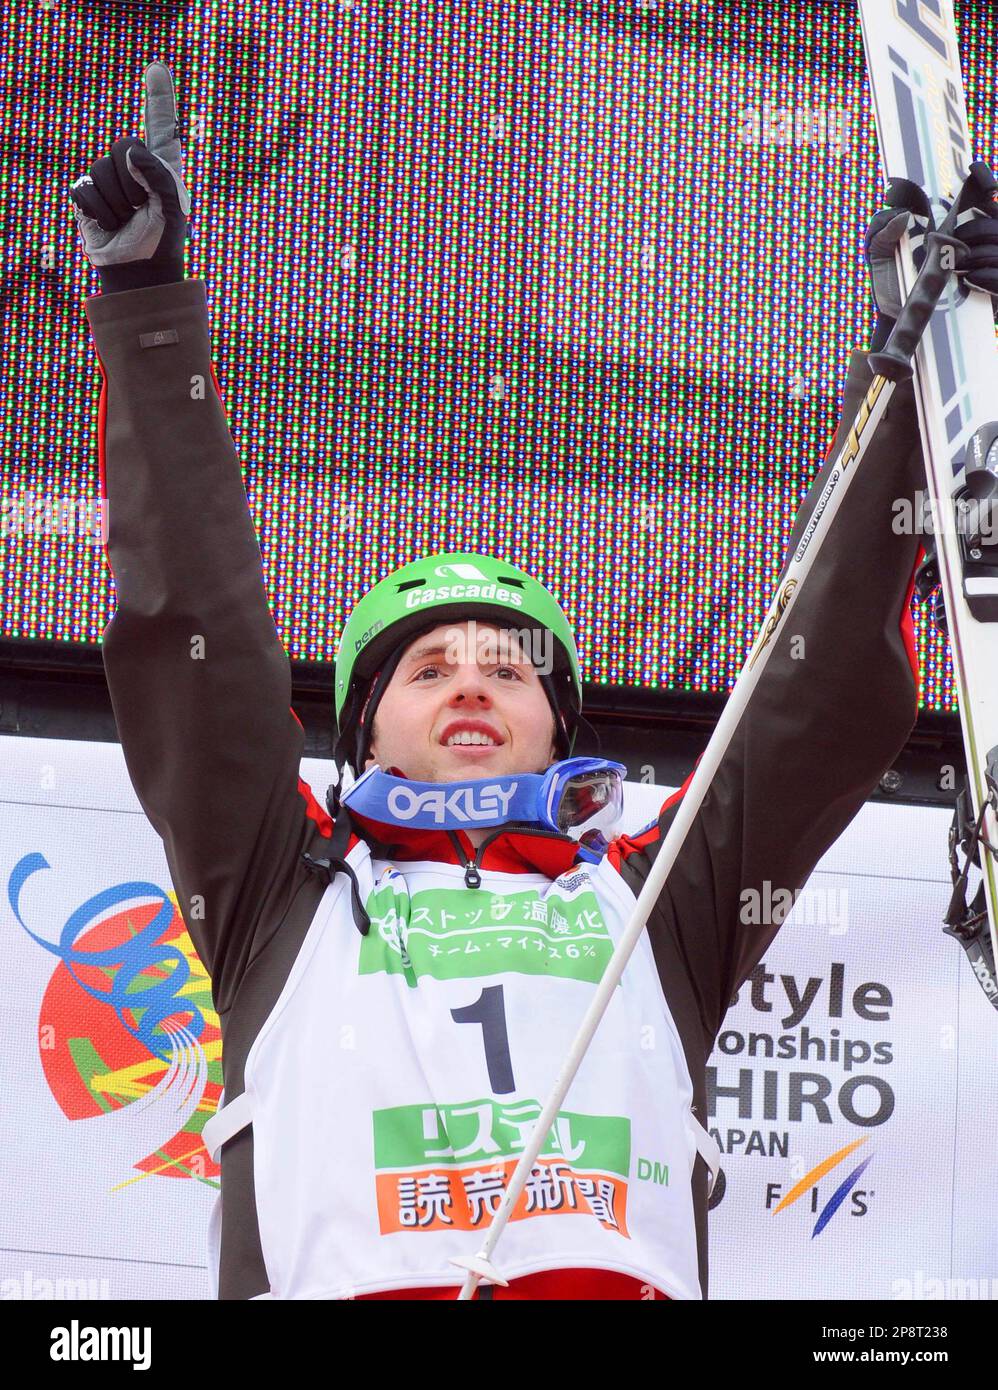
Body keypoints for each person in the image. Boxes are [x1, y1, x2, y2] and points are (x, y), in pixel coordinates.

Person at [69, 62, 995, 1301]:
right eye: (427, 666)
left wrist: (920, 371)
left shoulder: (654, 895)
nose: (470, 684)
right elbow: (192, 627)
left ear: (556, 723)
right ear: (364, 734)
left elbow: (815, 698)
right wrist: (144, 303)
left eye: (507, 667)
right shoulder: (273, 898)